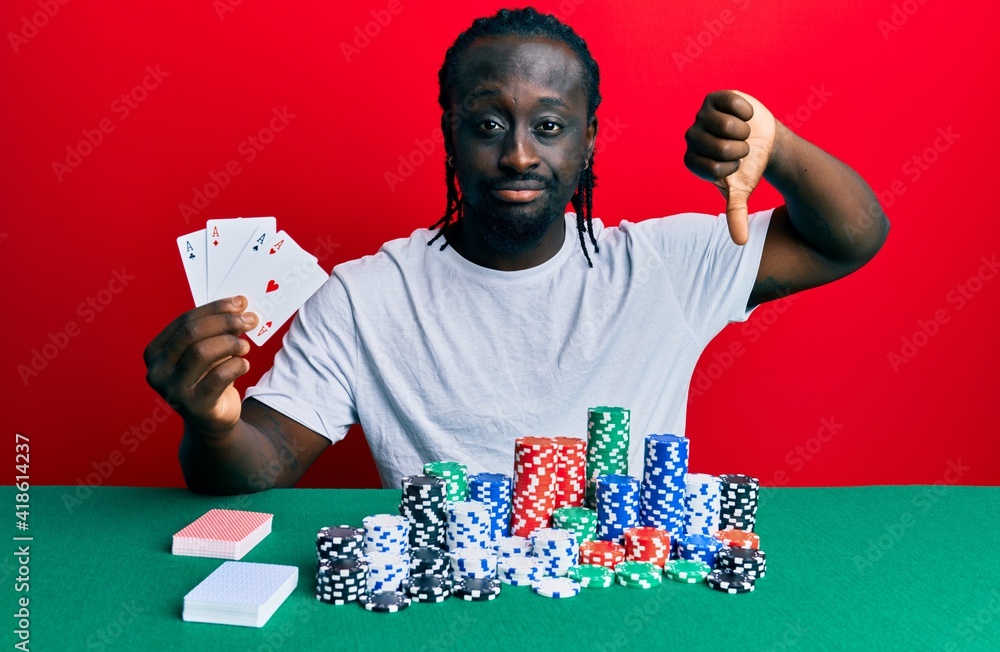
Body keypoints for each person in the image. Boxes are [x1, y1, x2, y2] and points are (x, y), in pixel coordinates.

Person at [144, 7, 888, 495]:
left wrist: (782, 148)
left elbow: (851, 237)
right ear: (450, 133)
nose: (521, 156)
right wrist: (211, 424)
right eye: (490, 125)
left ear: (590, 138)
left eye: (551, 126)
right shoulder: (366, 296)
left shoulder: (665, 266)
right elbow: (259, 459)